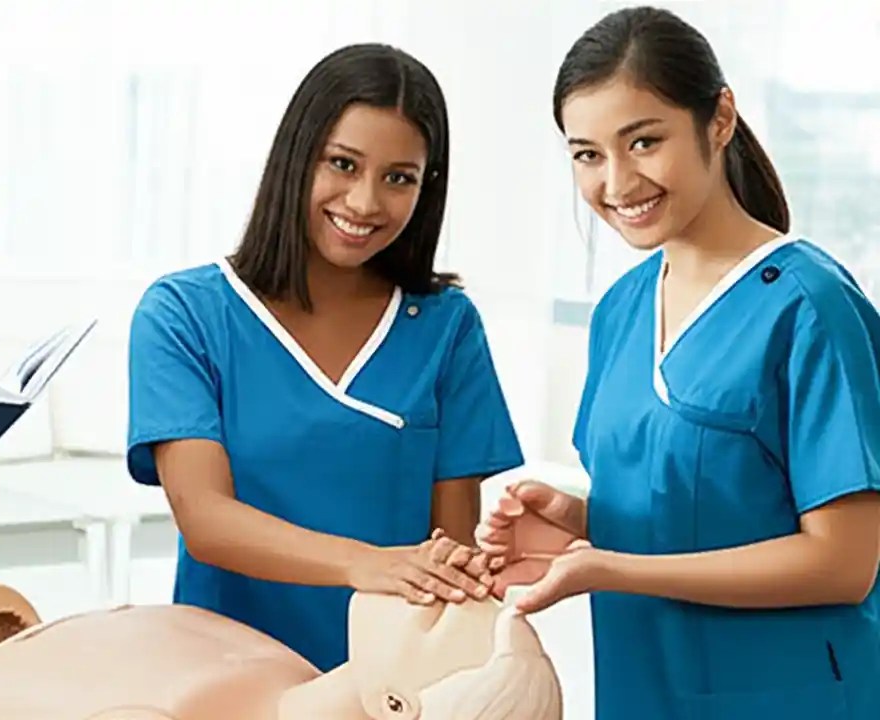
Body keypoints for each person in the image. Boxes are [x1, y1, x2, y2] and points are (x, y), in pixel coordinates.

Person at [477, 6, 880, 718]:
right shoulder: (622, 310)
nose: (617, 181)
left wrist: (614, 568)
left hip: (793, 698)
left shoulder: (808, 306)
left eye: (644, 141)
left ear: (719, 119)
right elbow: (698, 510)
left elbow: (844, 564)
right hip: (644, 691)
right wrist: (577, 519)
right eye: (587, 154)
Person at [125, 43, 524, 673]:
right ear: (295, 160)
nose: (365, 203)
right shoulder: (186, 314)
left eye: (400, 178)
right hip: (226, 683)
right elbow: (206, 519)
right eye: (342, 164)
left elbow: (448, 545)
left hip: (387, 686)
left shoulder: (446, 327)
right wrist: (370, 562)